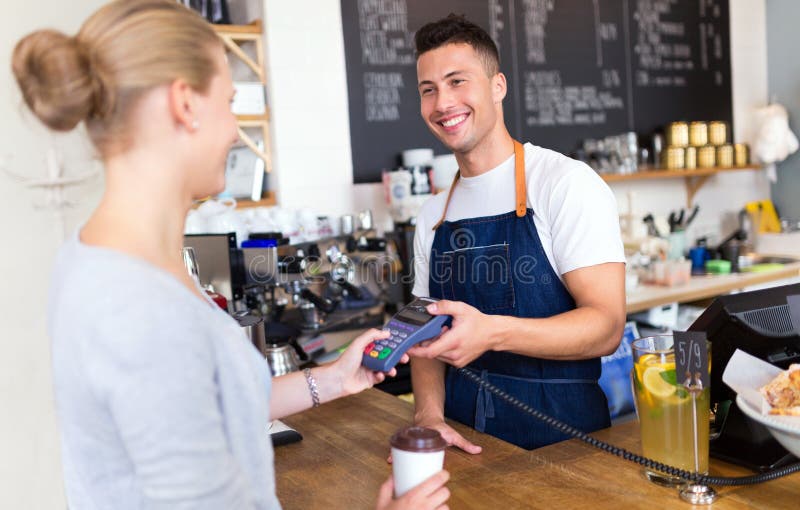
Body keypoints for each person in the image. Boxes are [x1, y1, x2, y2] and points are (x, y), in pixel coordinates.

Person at [12, 1, 449, 508]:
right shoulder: (138, 308)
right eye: (227, 102)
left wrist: (333, 379)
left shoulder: (113, 257)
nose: (235, 131)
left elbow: (206, 402)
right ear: (185, 104)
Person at [406, 14, 626, 453]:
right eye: (428, 89)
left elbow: (606, 327)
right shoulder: (432, 215)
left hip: (565, 446)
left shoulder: (565, 184)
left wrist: (493, 333)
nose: (442, 102)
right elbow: (423, 332)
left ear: (498, 86)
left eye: (457, 81)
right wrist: (428, 416)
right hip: (463, 444)